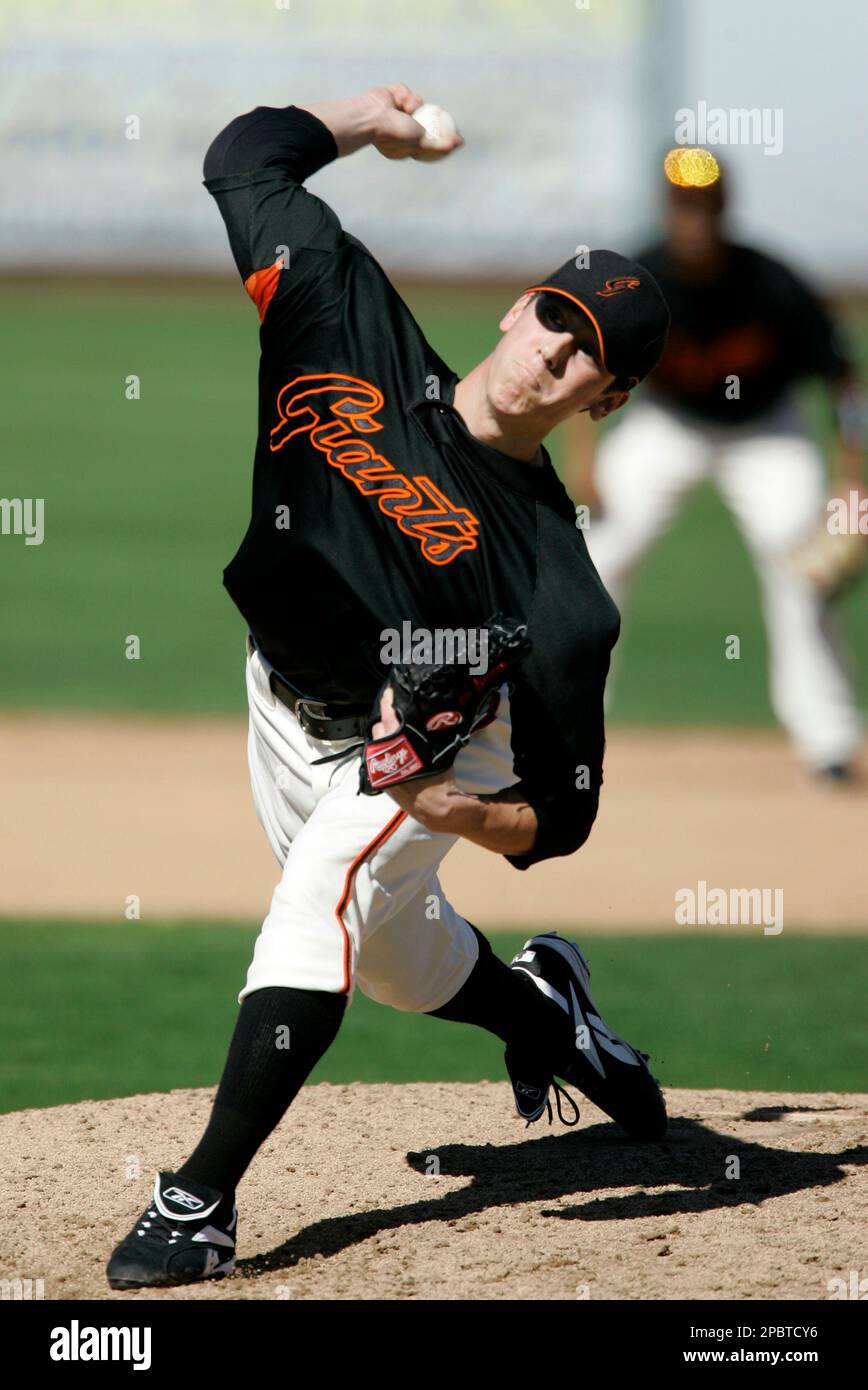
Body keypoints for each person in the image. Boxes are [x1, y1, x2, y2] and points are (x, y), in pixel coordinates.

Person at [106, 84, 670, 1291]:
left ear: (606, 401)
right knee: (406, 963)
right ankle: (550, 1012)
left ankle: (198, 1200)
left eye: (589, 360)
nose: (553, 357)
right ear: (521, 306)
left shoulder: (561, 592)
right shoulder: (337, 304)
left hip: (420, 753)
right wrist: (377, 120)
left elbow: (561, 816)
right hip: (281, 696)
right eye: (553, 321)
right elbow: (244, 158)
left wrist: (452, 811)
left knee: (318, 900)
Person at [565, 162, 864, 779]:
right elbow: (583, 359)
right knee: (598, 557)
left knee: (800, 567)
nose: (692, 221)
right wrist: (583, 456)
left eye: (703, 207)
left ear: (724, 212)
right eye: (682, 206)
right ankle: (563, 727)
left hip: (765, 432)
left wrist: (853, 482)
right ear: (667, 209)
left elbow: (845, 384)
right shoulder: (640, 279)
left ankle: (829, 742)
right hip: (668, 426)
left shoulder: (772, 284)